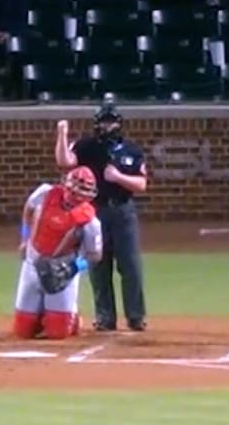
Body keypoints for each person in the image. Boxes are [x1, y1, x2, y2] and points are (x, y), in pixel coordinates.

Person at [55, 103, 149, 332]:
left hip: (122, 211)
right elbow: (65, 162)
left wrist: (118, 177)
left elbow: (141, 184)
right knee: (98, 265)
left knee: (130, 265)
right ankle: (105, 316)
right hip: (93, 211)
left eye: (111, 121)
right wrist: (62, 134)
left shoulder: (131, 150)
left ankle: (136, 316)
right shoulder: (87, 146)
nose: (107, 127)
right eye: (103, 122)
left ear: (119, 124)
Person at [12, 166, 103, 340]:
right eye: (78, 188)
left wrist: (74, 267)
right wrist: (24, 239)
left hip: (62, 268)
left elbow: (95, 255)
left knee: (57, 333)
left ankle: (73, 319)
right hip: (33, 262)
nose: (80, 194)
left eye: (85, 190)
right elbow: (28, 209)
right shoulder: (45, 193)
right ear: (67, 186)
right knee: (23, 331)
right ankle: (38, 313)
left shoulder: (90, 221)